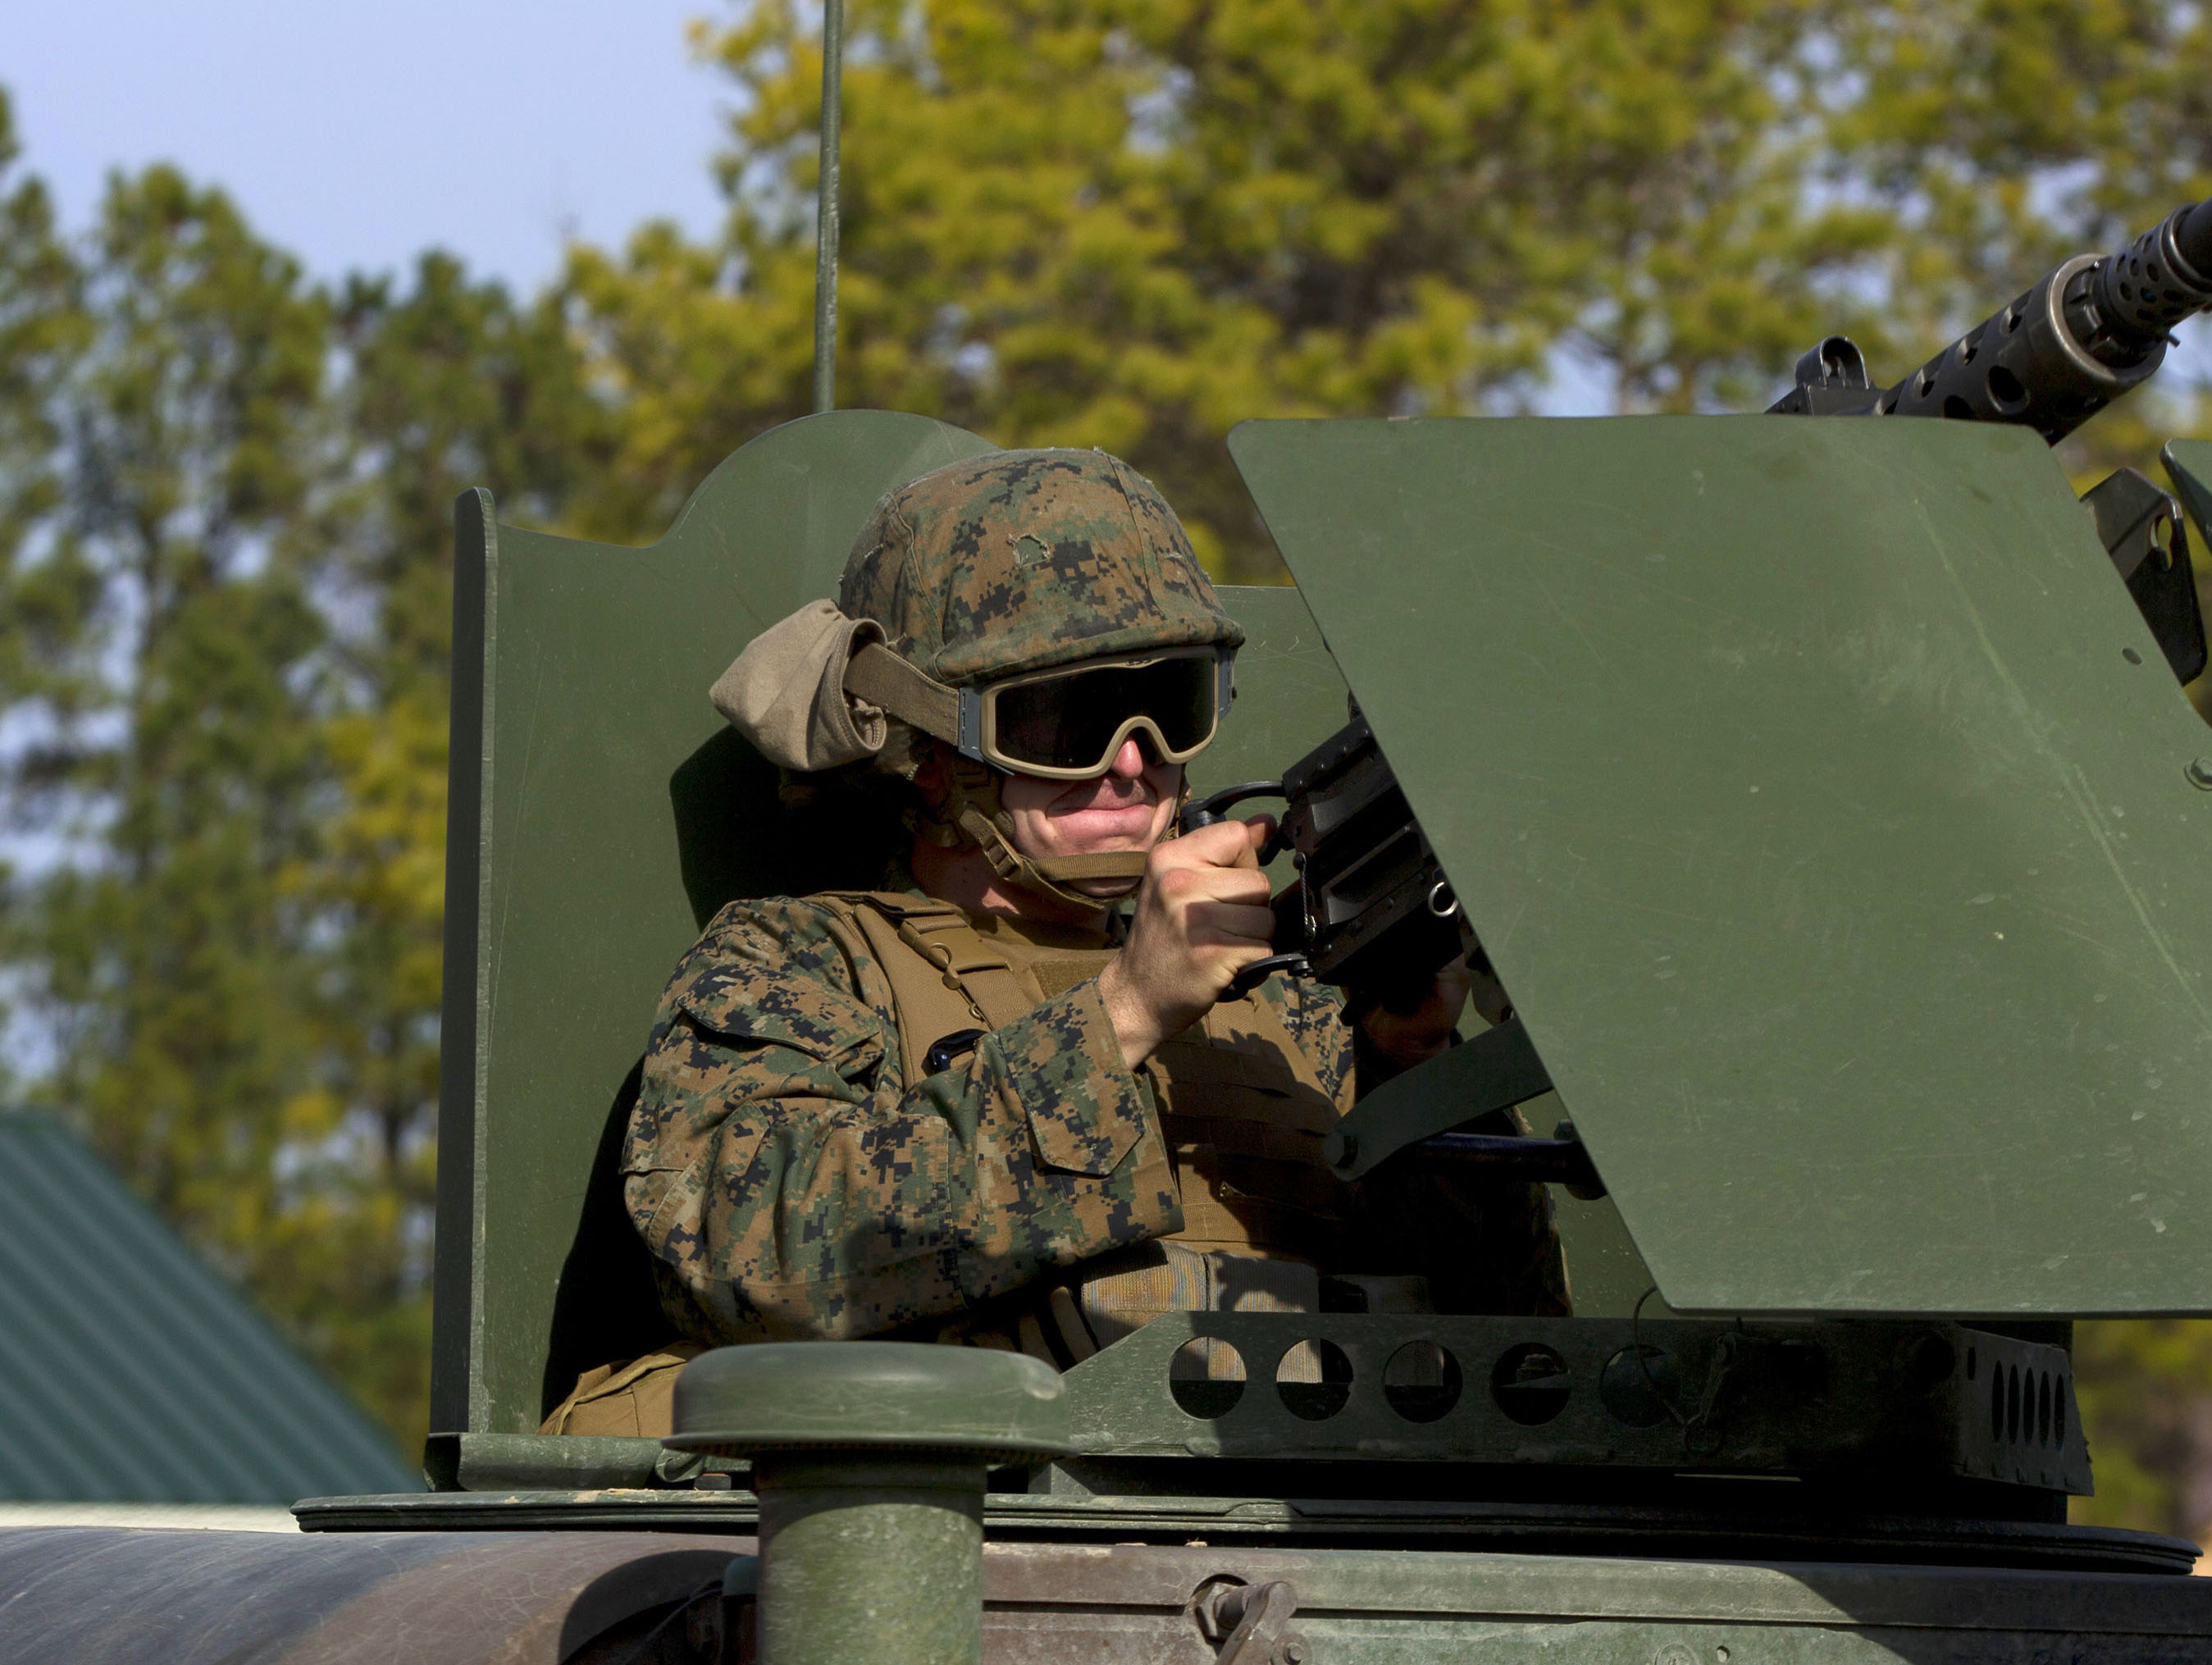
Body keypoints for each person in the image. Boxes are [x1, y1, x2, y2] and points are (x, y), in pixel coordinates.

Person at [550, 446, 1557, 1435]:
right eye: (1067, 723)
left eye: (1169, 707)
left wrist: (1407, 1070)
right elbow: (754, 1258)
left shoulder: (1292, 1007)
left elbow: (1507, 1353)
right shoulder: (801, 962)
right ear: (931, 754)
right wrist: (1123, 1012)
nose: (1133, 763)